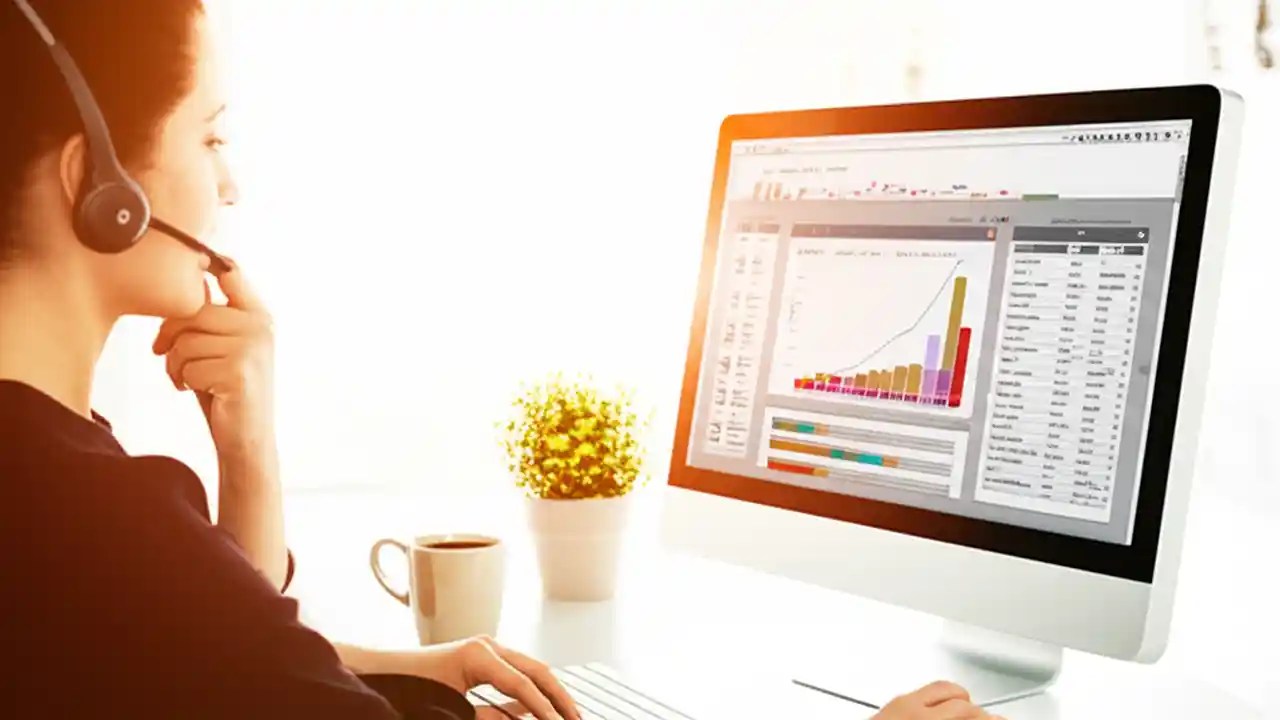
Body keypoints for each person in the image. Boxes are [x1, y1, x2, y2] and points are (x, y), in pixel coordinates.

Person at [0, 2, 1004, 719]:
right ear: (100, 185)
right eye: (210, 139)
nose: (232, 184)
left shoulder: (48, 459)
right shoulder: (98, 515)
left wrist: (411, 657)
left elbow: (214, 664)